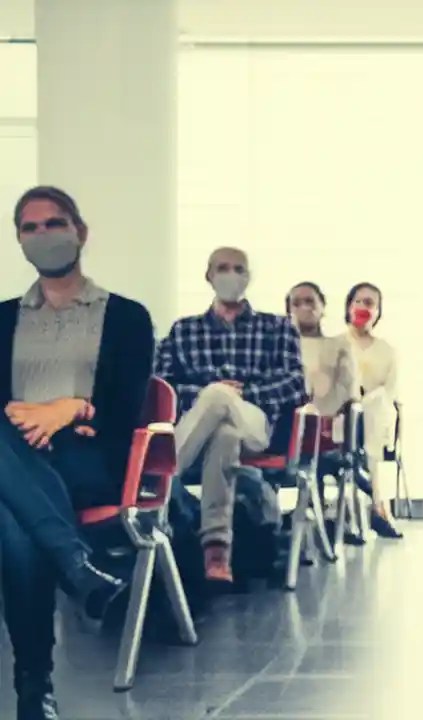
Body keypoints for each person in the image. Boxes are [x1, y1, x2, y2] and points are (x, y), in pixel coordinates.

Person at [0, 186, 154, 720]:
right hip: (13, 454)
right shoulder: (1, 317)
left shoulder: (127, 316)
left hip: (88, 458)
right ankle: (77, 568)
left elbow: (127, 407)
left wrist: (70, 409)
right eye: (30, 227)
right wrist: (26, 420)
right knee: (13, 513)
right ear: (19, 241)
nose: (44, 235)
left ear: (80, 232)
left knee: (12, 516)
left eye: (55, 223)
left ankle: (33, 687)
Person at [154, 247, 305, 584]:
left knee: (221, 399)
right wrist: (210, 395)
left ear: (249, 278)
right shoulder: (184, 330)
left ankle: (158, 477)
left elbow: (296, 384)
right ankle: (216, 552)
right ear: (208, 275)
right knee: (224, 434)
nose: (230, 274)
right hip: (207, 430)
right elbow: (164, 385)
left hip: (256, 424)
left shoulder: (277, 327)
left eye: (239, 269)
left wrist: (242, 394)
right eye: (223, 268)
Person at [344, 282, 402, 539]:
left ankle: (376, 499)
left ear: (378, 312)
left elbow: (390, 391)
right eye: (359, 301)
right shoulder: (336, 345)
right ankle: (380, 508)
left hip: (375, 419)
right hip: (342, 417)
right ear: (348, 306)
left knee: (376, 406)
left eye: (371, 303)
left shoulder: (387, 351)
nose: (364, 307)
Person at [286, 282, 357, 418]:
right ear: (289, 312)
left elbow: (348, 391)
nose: (304, 308)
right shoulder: (281, 348)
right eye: (296, 303)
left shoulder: (339, 346)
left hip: (329, 426)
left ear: (322, 306)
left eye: (310, 301)